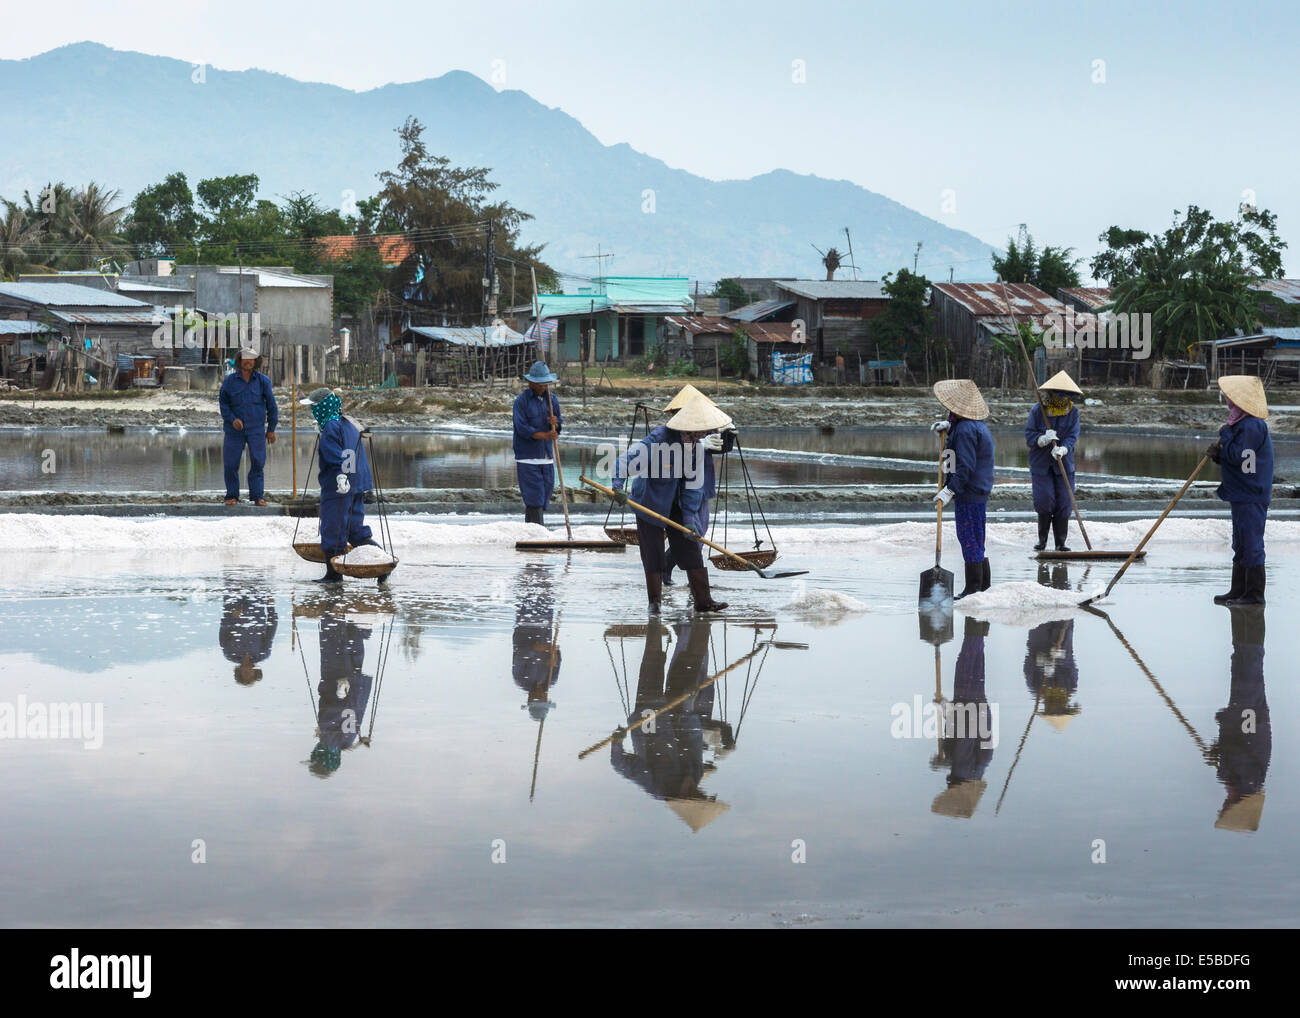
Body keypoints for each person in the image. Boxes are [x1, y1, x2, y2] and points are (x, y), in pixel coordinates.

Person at [613, 393, 731, 614]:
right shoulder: (659, 439)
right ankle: (655, 604)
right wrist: (617, 486)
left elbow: (692, 486)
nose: (706, 433)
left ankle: (703, 602)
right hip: (649, 502)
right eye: (703, 430)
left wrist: (689, 519)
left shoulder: (696, 446)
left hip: (676, 502)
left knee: (690, 547)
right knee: (653, 553)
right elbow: (625, 459)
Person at [659, 384, 736, 587]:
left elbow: (719, 448)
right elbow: (672, 454)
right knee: (692, 533)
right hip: (681, 488)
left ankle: (676, 572)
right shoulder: (671, 432)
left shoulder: (704, 428)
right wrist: (698, 445)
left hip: (702, 483)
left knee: (698, 532)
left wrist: (727, 437)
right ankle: (672, 570)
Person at [300, 387, 379, 583]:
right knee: (354, 530)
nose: (313, 411)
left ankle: (333, 576)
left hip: (338, 486)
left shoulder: (330, 428)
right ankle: (381, 563)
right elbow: (351, 456)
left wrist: (341, 476)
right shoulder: (348, 423)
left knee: (332, 528)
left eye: (314, 407)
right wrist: (351, 478)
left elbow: (339, 456)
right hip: (356, 484)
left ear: (322, 407)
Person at [1208, 375, 1273, 606]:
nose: (1227, 400)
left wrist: (1225, 436)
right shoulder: (1240, 424)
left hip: (1251, 494)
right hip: (1240, 493)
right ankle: (1238, 590)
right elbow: (1238, 461)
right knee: (1241, 542)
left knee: (1252, 542)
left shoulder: (1252, 426)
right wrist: (1218, 456)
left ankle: (1254, 595)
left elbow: (1240, 456)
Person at [930, 379, 994, 600]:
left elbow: (965, 466)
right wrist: (950, 429)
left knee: (969, 538)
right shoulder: (970, 425)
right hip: (976, 490)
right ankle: (984, 587)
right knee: (976, 539)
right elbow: (955, 457)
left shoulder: (966, 429)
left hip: (970, 490)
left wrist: (950, 490)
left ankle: (973, 588)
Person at [1025, 370, 1082, 552]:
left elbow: (1073, 435)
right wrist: (1042, 439)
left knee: (1065, 502)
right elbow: (1029, 436)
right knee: (1044, 500)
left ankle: (1060, 543)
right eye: (1058, 394)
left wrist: (1064, 448)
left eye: (1065, 395)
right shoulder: (1038, 410)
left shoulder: (1073, 413)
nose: (1061, 398)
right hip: (1041, 464)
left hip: (1063, 463)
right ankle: (1042, 541)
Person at [219, 347, 278, 506]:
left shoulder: (263, 381)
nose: (248, 361)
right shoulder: (230, 381)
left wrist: (271, 429)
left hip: (256, 430)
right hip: (233, 431)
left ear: (255, 361)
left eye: (251, 358)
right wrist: (232, 419)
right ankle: (231, 496)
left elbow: (272, 406)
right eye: (245, 358)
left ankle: (257, 496)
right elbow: (223, 404)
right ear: (239, 361)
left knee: (258, 462)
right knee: (231, 464)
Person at [513, 361, 562, 526]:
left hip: (547, 456)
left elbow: (558, 425)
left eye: (546, 383)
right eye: (540, 384)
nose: (543, 387)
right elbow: (521, 428)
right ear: (531, 382)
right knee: (534, 498)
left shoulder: (552, 400)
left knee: (545, 496)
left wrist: (556, 423)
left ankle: (533, 530)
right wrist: (544, 435)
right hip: (528, 457)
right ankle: (537, 532)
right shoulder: (521, 401)